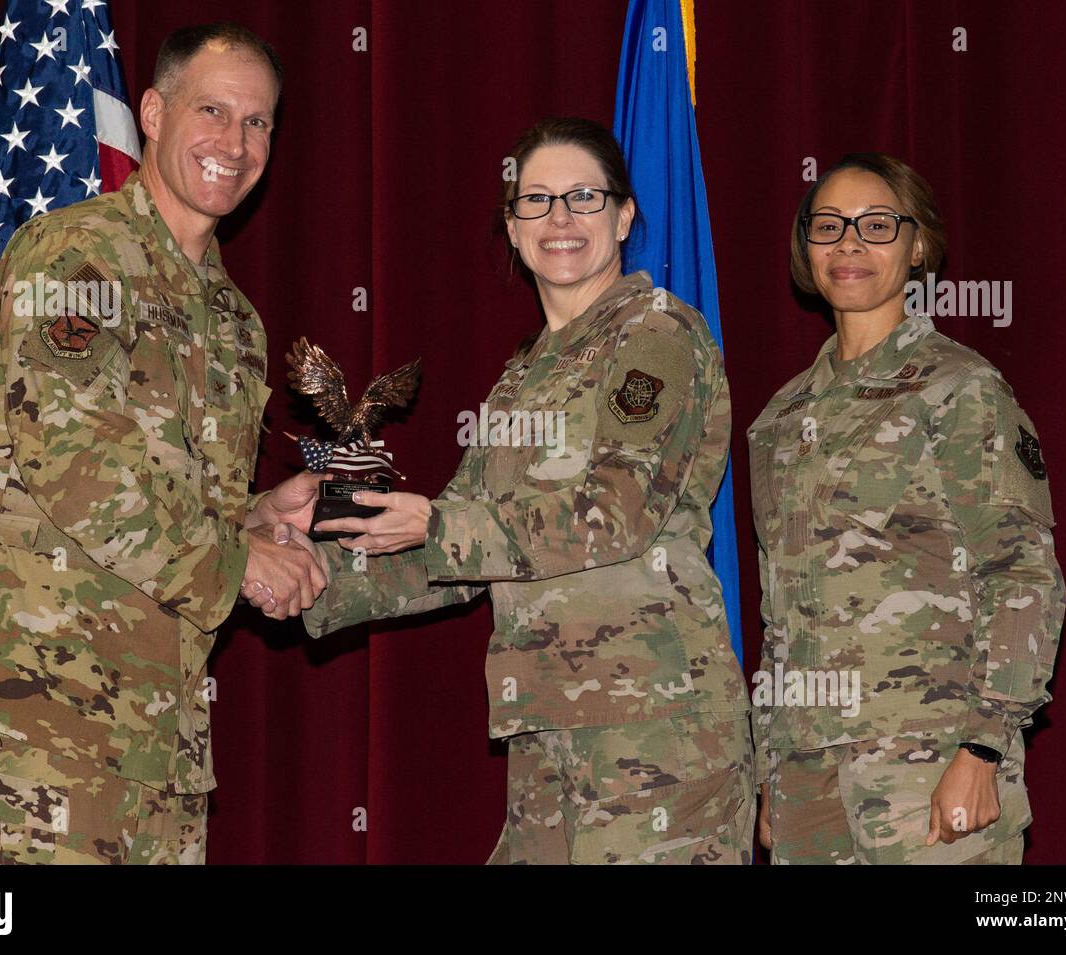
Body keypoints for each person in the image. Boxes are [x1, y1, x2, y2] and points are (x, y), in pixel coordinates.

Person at [263, 117, 754, 864]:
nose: (559, 219)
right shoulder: (523, 376)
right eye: (536, 201)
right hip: (549, 733)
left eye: (583, 197)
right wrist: (303, 569)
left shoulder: (658, 335)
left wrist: (435, 525)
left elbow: (614, 513)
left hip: (657, 734)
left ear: (624, 216)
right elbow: (456, 555)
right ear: (513, 228)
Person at [0, 22, 325, 865]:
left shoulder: (233, 320)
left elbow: (167, 487)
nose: (235, 142)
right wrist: (241, 564)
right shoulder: (82, 255)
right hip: (47, 713)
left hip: (160, 730)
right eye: (212, 111)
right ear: (151, 111)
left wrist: (255, 519)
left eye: (257, 123)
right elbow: (72, 461)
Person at [748, 153, 1065, 864]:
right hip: (809, 786)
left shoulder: (960, 388)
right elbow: (779, 614)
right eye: (828, 226)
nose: (849, 243)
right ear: (806, 247)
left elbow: (1022, 572)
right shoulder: (778, 418)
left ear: (917, 245)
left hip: (930, 770)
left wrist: (984, 745)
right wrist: (771, 769)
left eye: (876, 225)